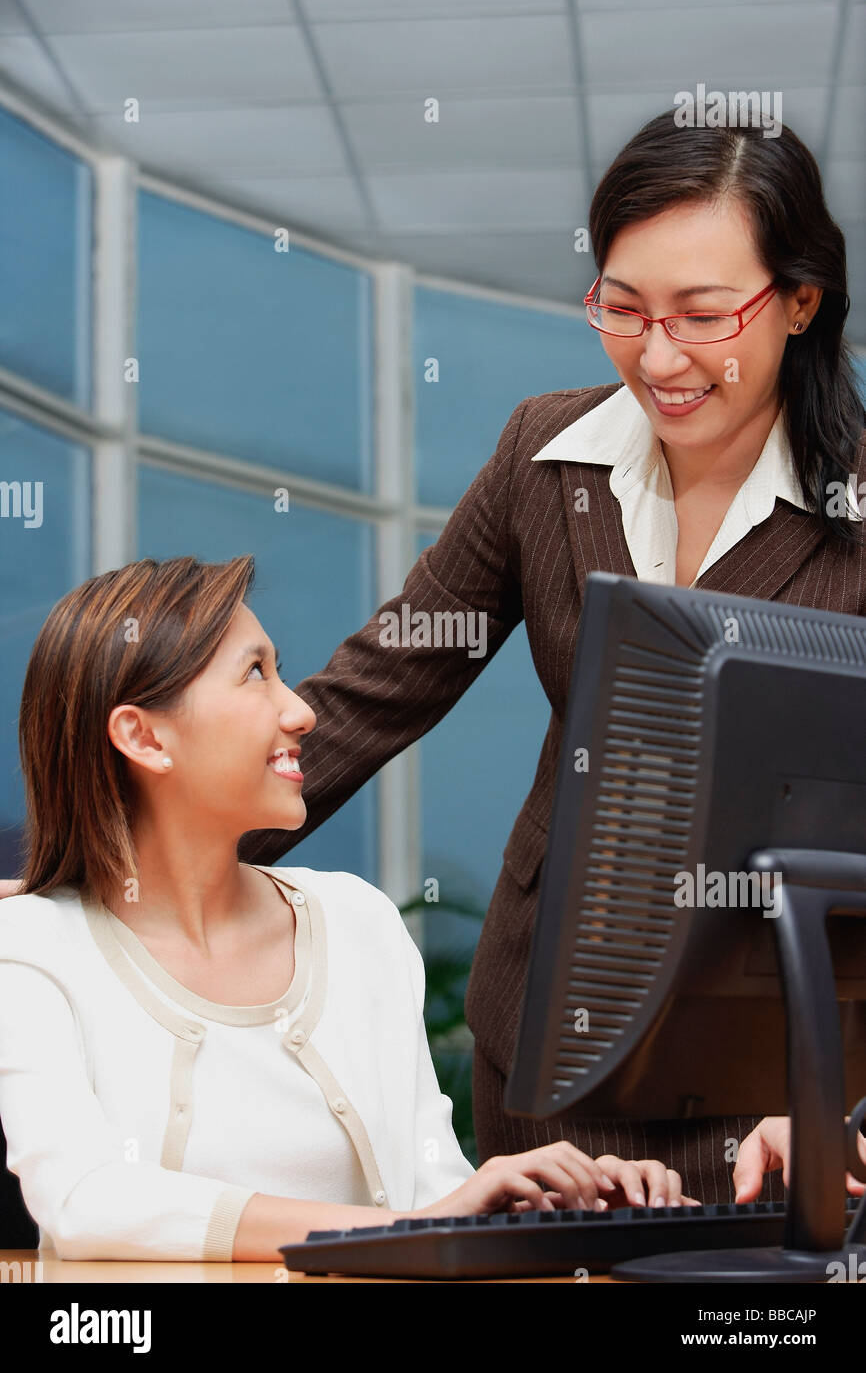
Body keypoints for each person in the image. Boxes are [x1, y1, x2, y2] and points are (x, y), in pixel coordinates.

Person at [3, 106, 865, 1209]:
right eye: (620, 305)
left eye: (702, 315)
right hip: (560, 1038)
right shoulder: (543, 458)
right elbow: (375, 690)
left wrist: (837, 1093)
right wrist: (87, 855)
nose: (657, 356)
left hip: (781, 1062)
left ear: (797, 300)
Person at [0, 555, 692, 1262]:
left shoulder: (357, 921)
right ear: (143, 737)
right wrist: (414, 1230)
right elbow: (87, 1201)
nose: (300, 710)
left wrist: (555, 1206)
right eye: (255, 674)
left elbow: (431, 1194)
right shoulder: (31, 947)